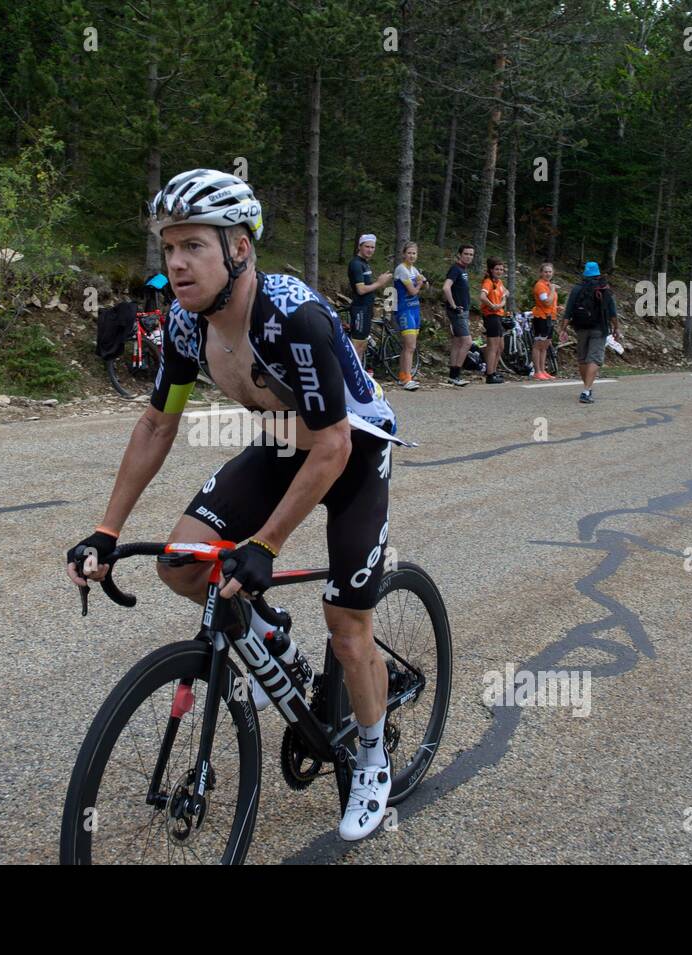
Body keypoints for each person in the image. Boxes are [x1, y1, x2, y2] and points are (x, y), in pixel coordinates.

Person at [64, 168, 406, 842]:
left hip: (353, 451)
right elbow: (157, 425)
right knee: (182, 563)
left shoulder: (292, 316)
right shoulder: (185, 327)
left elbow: (334, 443)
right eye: (169, 248)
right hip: (285, 442)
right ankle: (272, 633)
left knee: (346, 623)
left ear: (239, 248)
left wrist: (267, 544)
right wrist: (107, 530)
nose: (177, 262)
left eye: (193, 245)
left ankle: (371, 756)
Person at [562, 261, 619, 404]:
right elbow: (612, 312)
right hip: (599, 328)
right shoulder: (605, 289)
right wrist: (616, 328)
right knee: (594, 358)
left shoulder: (577, 289)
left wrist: (563, 328)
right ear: (598, 273)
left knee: (582, 358)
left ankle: (587, 388)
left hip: (580, 327)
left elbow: (568, 310)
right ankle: (586, 390)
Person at [347, 234, 393, 365]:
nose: (370, 250)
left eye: (372, 247)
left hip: (366, 308)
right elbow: (360, 290)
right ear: (359, 246)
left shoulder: (365, 264)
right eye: (367, 246)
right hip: (359, 308)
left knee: (362, 344)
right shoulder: (356, 264)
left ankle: (358, 375)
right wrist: (380, 283)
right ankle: (352, 377)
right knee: (357, 345)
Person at [393, 242, 427, 390]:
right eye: (409, 253)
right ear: (403, 254)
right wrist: (420, 284)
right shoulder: (401, 269)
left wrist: (422, 282)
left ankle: (403, 376)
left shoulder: (413, 269)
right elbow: (413, 291)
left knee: (409, 347)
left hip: (414, 309)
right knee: (410, 346)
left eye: (414, 253)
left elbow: (426, 285)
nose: (412, 256)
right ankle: (407, 379)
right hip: (404, 309)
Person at [442, 244, 475, 386]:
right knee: (467, 342)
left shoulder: (463, 270)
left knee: (457, 342)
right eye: (466, 254)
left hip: (464, 310)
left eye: (471, 254)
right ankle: (456, 375)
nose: (468, 256)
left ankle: (452, 376)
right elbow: (446, 287)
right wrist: (454, 306)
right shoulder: (455, 269)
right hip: (458, 311)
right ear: (460, 254)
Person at [479, 258, 508, 383]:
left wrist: (502, 302)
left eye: (501, 269)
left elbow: (505, 293)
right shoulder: (488, 282)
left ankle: (493, 370)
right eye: (497, 269)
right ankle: (490, 374)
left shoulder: (499, 282)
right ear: (491, 270)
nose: (499, 271)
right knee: (493, 346)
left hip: (499, 315)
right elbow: (482, 296)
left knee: (500, 346)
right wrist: (492, 305)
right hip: (491, 316)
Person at [529, 262, 560, 381]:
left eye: (550, 272)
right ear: (541, 273)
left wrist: (556, 308)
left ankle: (543, 370)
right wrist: (552, 290)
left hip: (550, 317)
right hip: (541, 318)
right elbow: (546, 301)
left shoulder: (548, 285)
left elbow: (550, 303)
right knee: (539, 345)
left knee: (545, 345)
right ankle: (537, 371)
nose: (548, 274)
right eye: (545, 272)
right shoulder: (540, 285)